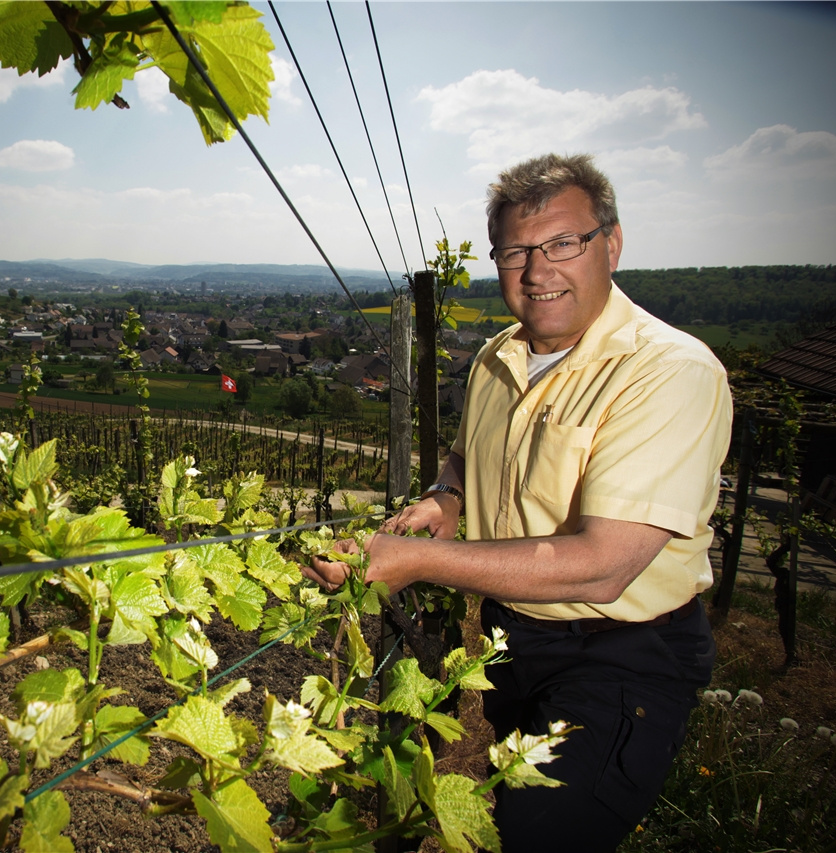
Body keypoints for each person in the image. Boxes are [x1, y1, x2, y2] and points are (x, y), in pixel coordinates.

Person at [303, 153, 733, 852]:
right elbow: (468, 456)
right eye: (515, 251)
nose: (537, 270)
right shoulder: (496, 357)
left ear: (612, 244)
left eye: (563, 243)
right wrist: (446, 497)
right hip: (515, 641)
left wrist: (415, 560)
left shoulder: (669, 373)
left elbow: (605, 566)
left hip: (619, 655)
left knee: (530, 836)